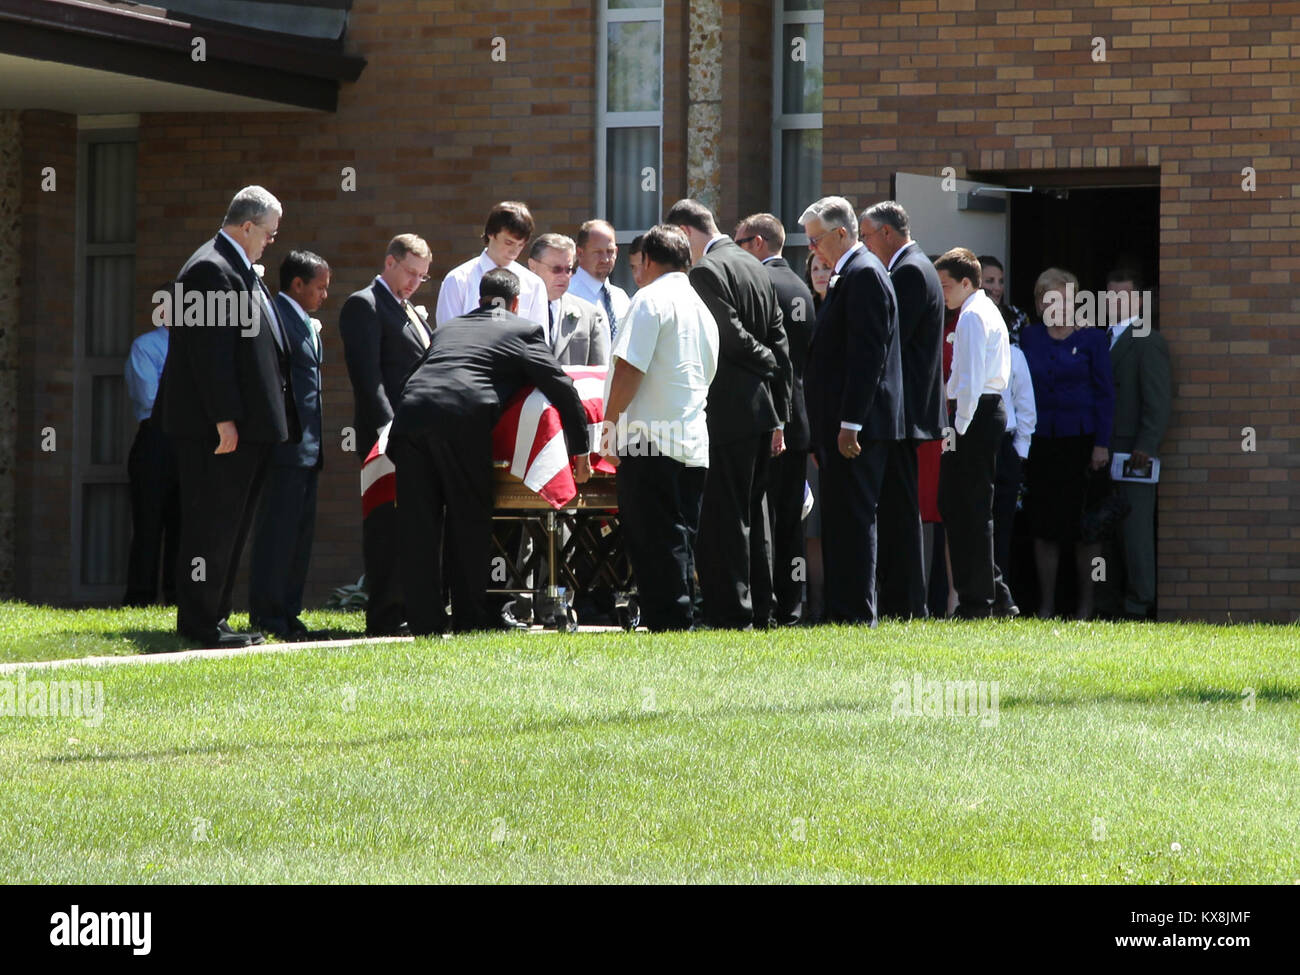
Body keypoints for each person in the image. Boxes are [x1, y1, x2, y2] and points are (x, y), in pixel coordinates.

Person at [388, 269, 592, 635]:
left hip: (410, 417)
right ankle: (469, 619)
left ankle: (426, 623)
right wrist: (580, 452)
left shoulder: (449, 329)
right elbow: (562, 388)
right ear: (515, 303)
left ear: (479, 299)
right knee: (468, 520)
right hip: (461, 422)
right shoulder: (522, 330)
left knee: (418, 526)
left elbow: (423, 373)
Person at [156, 185, 298, 648]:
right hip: (215, 428)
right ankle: (200, 623)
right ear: (247, 225)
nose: (270, 242)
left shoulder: (235, 267)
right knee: (211, 523)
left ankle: (216, 616)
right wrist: (224, 419)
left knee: (232, 524)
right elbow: (209, 354)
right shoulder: (208, 269)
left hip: (246, 426)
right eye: (269, 233)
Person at [666, 198, 791, 630]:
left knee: (725, 516)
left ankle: (731, 612)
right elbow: (779, 337)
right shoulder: (755, 264)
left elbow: (729, 337)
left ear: (684, 232)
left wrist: (765, 360)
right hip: (759, 410)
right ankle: (761, 605)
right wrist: (779, 407)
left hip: (728, 412)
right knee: (755, 516)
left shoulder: (705, 270)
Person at [598, 225, 719, 631]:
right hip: (691, 439)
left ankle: (668, 623)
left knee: (654, 540)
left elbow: (630, 367)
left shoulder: (649, 300)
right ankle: (680, 618)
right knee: (680, 536)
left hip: (648, 439)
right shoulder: (702, 309)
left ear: (648, 261)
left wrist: (609, 425)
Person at [799, 195, 904, 626]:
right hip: (844, 425)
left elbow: (867, 356)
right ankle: (846, 609)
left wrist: (849, 424)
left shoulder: (863, 275)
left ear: (842, 233)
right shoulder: (852, 274)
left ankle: (856, 613)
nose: (812, 250)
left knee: (855, 520)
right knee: (841, 520)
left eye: (816, 239)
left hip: (857, 428)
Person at [338, 233, 434, 636]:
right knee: (385, 526)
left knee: (411, 526)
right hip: (387, 437)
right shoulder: (366, 304)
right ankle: (384, 615)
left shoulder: (408, 308)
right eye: (410, 272)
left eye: (423, 276)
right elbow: (368, 378)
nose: (415, 282)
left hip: (417, 436)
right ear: (389, 262)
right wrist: (386, 432)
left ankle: (409, 607)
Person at [860, 201, 945, 619]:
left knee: (899, 511)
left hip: (904, 412)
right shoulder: (917, 265)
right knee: (898, 508)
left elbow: (892, 339)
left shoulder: (909, 270)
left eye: (867, 236)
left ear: (888, 234)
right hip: (908, 412)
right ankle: (905, 603)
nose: (864, 244)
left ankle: (908, 604)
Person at [1020, 267, 1115, 619]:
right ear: (1040, 303)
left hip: (1083, 444)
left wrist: (1101, 444)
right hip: (1042, 444)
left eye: (1064, 299)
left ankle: (1086, 607)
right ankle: (1045, 606)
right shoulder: (1029, 338)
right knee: (1045, 526)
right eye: (1050, 299)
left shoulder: (1092, 338)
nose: (1057, 306)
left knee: (1086, 530)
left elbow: (1106, 394)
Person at [736, 212, 815, 627]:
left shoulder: (759, 285)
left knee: (762, 516)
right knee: (791, 520)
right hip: (798, 418)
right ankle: (792, 604)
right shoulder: (799, 285)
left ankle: (764, 602)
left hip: (769, 419)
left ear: (759, 243)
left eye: (740, 242)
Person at [249, 250, 330, 641]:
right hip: (284, 449)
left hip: (309, 448)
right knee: (276, 536)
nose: (324, 295)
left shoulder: (308, 323)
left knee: (299, 537)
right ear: (297, 284)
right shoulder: (275, 316)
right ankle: (268, 615)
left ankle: (289, 612)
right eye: (320, 287)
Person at [934, 248, 1016, 618]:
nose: (943, 293)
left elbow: (967, 379)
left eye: (947, 286)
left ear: (966, 283)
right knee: (971, 505)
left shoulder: (970, 317)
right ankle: (993, 594)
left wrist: (958, 429)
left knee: (964, 507)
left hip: (972, 414)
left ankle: (976, 600)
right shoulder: (985, 310)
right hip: (983, 411)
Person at [1098, 267, 1170, 620]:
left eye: (1124, 296)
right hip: (1104, 449)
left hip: (1133, 451)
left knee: (1135, 530)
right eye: (1110, 295)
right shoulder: (1102, 337)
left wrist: (1147, 444)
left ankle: (1139, 604)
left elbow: (1157, 401)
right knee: (1104, 529)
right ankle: (1108, 602)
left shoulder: (1148, 340)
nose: (1116, 302)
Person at [123, 296, 179, 608]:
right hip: (155, 439)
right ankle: (140, 597)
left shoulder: (196, 349)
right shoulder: (146, 346)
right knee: (148, 523)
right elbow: (148, 398)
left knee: (181, 523)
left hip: (186, 441)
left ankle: (176, 596)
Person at [435, 201, 547, 328]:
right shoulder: (458, 280)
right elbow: (447, 335)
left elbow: (538, 340)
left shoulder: (533, 284)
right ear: (491, 233)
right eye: (508, 242)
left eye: (520, 245)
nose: (514, 252)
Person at [992, 339, 1036, 603]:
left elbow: (1026, 406)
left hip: (1005, 445)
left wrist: (1019, 453)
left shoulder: (1014, 355)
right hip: (973, 443)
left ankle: (1002, 597)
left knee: (1002, 527)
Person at [802, 251, 832, 623]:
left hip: (838, 434)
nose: (821, 273)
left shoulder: (840, 308)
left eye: (827, 267)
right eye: (815, 268)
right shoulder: (805, 312)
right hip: (808, 435)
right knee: (812, 527)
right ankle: (814, 602)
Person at [527, 232, 609, 366]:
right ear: (533, 266)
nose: (564, 276)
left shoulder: (589, 315)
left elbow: (598, 374)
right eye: (556, 269)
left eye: (569, 269)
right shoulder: (515, 309)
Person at [569, 219, 631, 341]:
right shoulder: (567, 294)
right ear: (580, 253)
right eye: (598, 252)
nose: (605, 259)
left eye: (610, 251)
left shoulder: (621, 297)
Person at [976, 255, 1030, 345]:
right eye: (989, 281)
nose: (998, 288)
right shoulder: (965, 315)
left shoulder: (1017, 316)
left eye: (1001, 281)